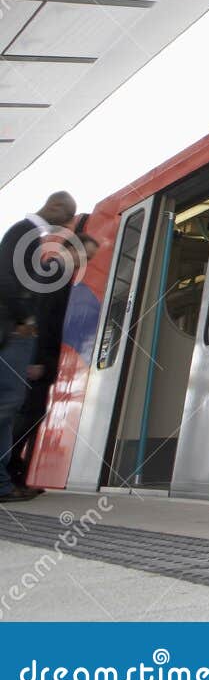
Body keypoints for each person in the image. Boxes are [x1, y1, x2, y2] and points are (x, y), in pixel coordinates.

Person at [5, 231, 97, 492]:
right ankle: (8, 472)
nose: (83, 264)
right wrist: (33, 360)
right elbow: (40, 319)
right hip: (36, 357)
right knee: (28, 414)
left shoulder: (54, 273)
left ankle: (12, 472)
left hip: (39, 356)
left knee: (29, 414)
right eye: (82, 256)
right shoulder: (53, 274)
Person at [0, 192, 76, 503]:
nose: (67, 223)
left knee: (8, 409)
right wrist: (26, 316)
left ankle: (4, 483)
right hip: (14, 333)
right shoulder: (25, 233)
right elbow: (5, 279)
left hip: (15, 332)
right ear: (55, 207)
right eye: (66, 216)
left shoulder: (27, 234)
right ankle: (2, 485)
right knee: (7, 408)